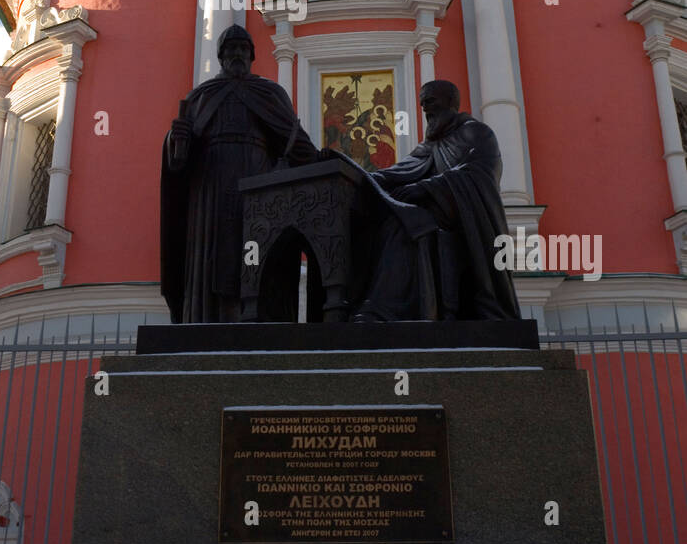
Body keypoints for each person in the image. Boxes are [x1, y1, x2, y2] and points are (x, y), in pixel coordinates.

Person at [160, 25, 320, 323]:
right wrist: (175, 140)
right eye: (231, 49)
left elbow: (294, 140)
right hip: (212, 189)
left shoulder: (269, 93)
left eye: (243, 49)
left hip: (259, 185)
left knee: (256, 250)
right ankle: (212, 319)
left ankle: (260, 316)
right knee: (217, 254)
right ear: (221, 56)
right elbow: (179, 164)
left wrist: (319, 161)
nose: (238, 54)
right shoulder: (201, 96)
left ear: (251, 55)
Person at [351, 80, 521, 322]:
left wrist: (425, 188)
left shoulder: (476, 133)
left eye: (430, 101)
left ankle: (384, 310)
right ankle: (379, 306)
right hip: (433, 214)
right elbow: (399, 172)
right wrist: (359, 176)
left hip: (464, 220)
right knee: (387, 222)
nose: (425, 109)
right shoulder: (431, 145)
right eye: (422, 104)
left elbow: (479, 175)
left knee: (405, 226)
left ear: (450, 101)